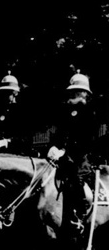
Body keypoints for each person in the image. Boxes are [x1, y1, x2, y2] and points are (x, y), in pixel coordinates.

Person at [47, 71, 99, 241]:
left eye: (78, 91)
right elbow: (57, 135)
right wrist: (53, 147)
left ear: (86, 94)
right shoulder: (64, 113)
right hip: (62, 158)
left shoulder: (90, 114)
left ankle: (78, 215)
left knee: (76, 181)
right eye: (72, 91)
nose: (74, 94)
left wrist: (66, 152)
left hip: (80, 159)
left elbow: (87, 140)